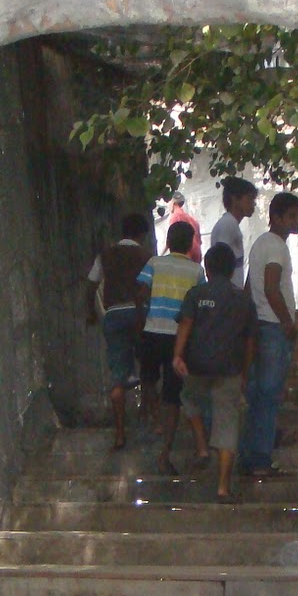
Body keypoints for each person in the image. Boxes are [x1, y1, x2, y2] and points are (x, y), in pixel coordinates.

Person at [173, 245, 258, 502]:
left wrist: (177, 355)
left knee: (188, 399)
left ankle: (201, 446)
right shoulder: (244, 300)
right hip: (230, 370)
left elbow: (186, 324)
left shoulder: (196, 294)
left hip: (197, 366)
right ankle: (222, 488)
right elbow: (250, 341)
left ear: (207, 269)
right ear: (232, 270)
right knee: (227, 424)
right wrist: (245, 372)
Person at [238, 191, 298, 479]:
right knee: (268, 396)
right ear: (275, 217)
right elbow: (270, 287)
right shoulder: (276, 246)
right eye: (291, 216)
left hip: (257, 326)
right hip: (273, 327)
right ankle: (261, 459)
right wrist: (287, 322)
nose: (297, 221)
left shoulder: (259, 244)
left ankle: (249, 456)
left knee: (257, 396)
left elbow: (248, 288)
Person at [135, 221, 206, 474]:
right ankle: (165, 451)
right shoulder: (196, 271)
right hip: (179, 339)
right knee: (173, 395)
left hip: (153, 331)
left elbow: (141, 293)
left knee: (148, 379)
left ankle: (152, 416)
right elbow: (198, 304)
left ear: (168, 241)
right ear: (190, 245)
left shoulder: (155, 263)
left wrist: (144, 316)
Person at [85, 213, 155, 450]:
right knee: (148, 370)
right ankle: (149, 422)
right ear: (142, 234)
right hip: (140, 315)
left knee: (118, 377)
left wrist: (91, 312)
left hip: (114, 315)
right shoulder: (147, 256)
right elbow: (152, 289)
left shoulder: (105, 255)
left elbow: (91, 286)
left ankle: (120, 434)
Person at [209, 176, 257, 288]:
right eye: (250, 198)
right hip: (226, 293)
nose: (253, 204)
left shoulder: (231, 224)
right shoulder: (228, 224)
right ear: (235, 199)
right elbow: (220, 262)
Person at [166, 193, 204, 263]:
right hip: (197, 257)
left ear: (173, 202)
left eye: (168, 202)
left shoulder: (176, 217)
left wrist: (160, 255)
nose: (168, 205)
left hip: (185, 258)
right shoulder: (192, 219)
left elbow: (173, 241)